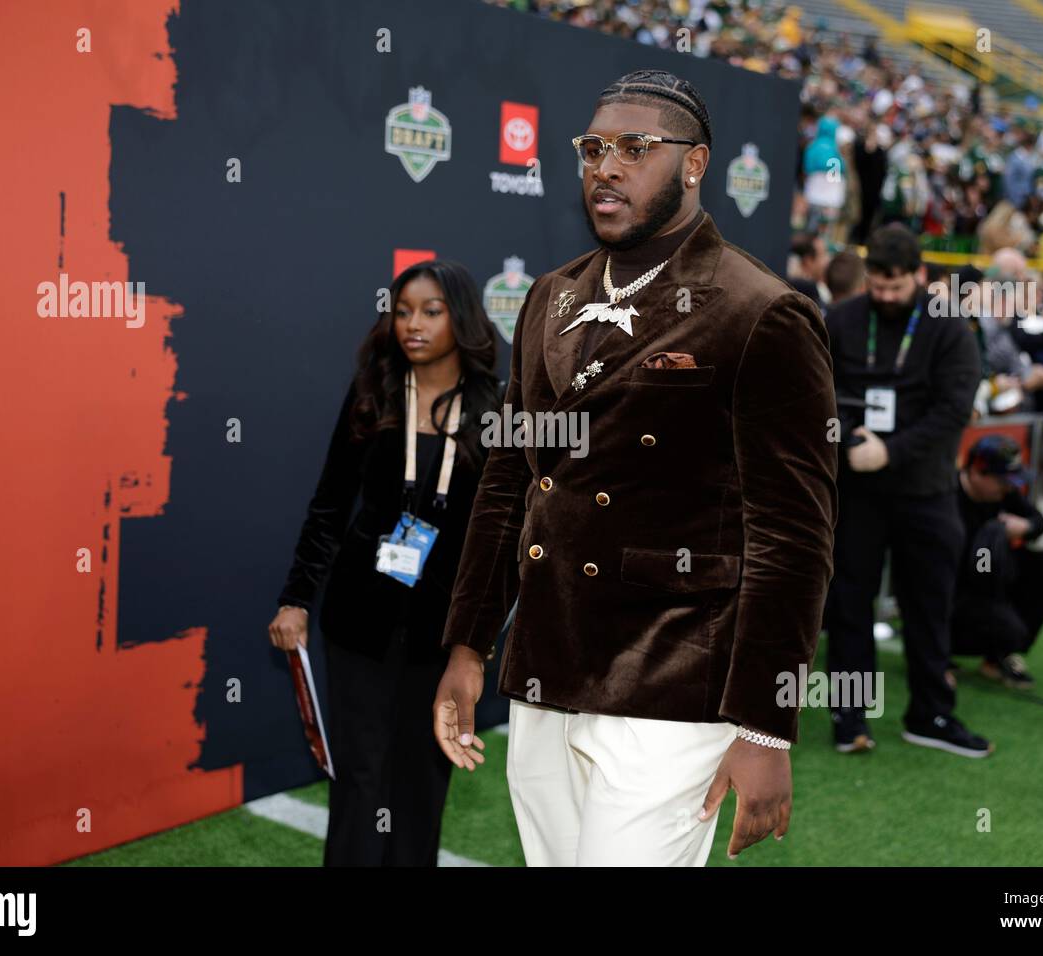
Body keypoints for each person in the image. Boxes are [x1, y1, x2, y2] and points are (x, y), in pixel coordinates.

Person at [432, 69, 838, 866]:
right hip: (548, 668)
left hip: (676, 681)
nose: (605, 167)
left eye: (635, 149)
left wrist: (764, 724)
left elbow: (794, 539)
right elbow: (511, 481)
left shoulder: (761, 312)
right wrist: (468, 646)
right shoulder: (550, 295)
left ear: (694, 165)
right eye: (593, 149)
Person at [269, 259, 503, 865]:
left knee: (421, 783)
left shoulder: (494, 409)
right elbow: (329, 503)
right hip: (358, 624)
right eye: (402, 312)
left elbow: (499, 535)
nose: (412, 326)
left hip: (440, 636)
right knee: (360, 779)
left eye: (430, 311)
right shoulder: (372, 393)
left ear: (463, 318)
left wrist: (475, 639)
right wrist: (296, 597)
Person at [823, 223, 992, 757]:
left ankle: (931, 714)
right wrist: (847, 438)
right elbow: (817, 387)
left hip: (925, 489)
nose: (886, 296)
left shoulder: (950, 330)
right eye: (877, 285)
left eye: (896, 288)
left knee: (928, 604)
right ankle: (849, 717)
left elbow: (952, 412)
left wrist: (891, 451)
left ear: (919, 276)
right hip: (858, 487)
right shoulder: (844, 318)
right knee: (851, 601)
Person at [950, 435, 1043, 687]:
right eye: (1002, 481)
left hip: (991, 580)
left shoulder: (1004, 494)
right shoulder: (948, 496)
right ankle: (939, 654)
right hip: (954, 586)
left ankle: (997, 657)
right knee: (1008, 627)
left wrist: (1023, 526)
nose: (1008, 488)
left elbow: (1037, 520)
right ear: (977, 472)